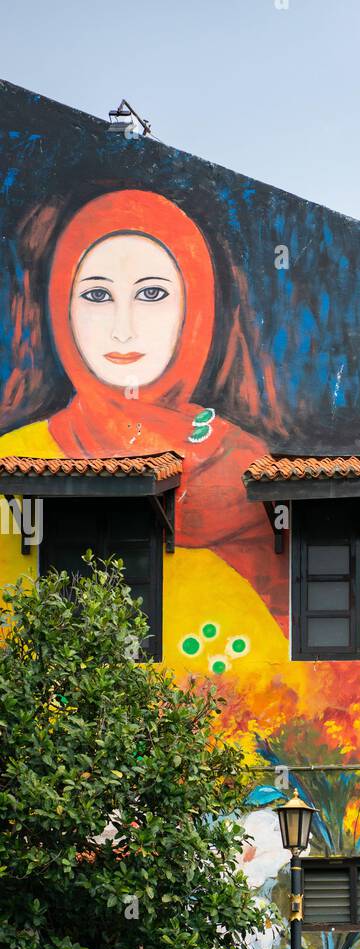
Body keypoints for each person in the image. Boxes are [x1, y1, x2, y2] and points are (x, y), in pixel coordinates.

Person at [0, 189, 286, 629]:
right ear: (62, 308)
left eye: (152, 294)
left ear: (194, 307)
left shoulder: (241, 460)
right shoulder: (21, 455)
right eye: (97, 296)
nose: (123, 330)